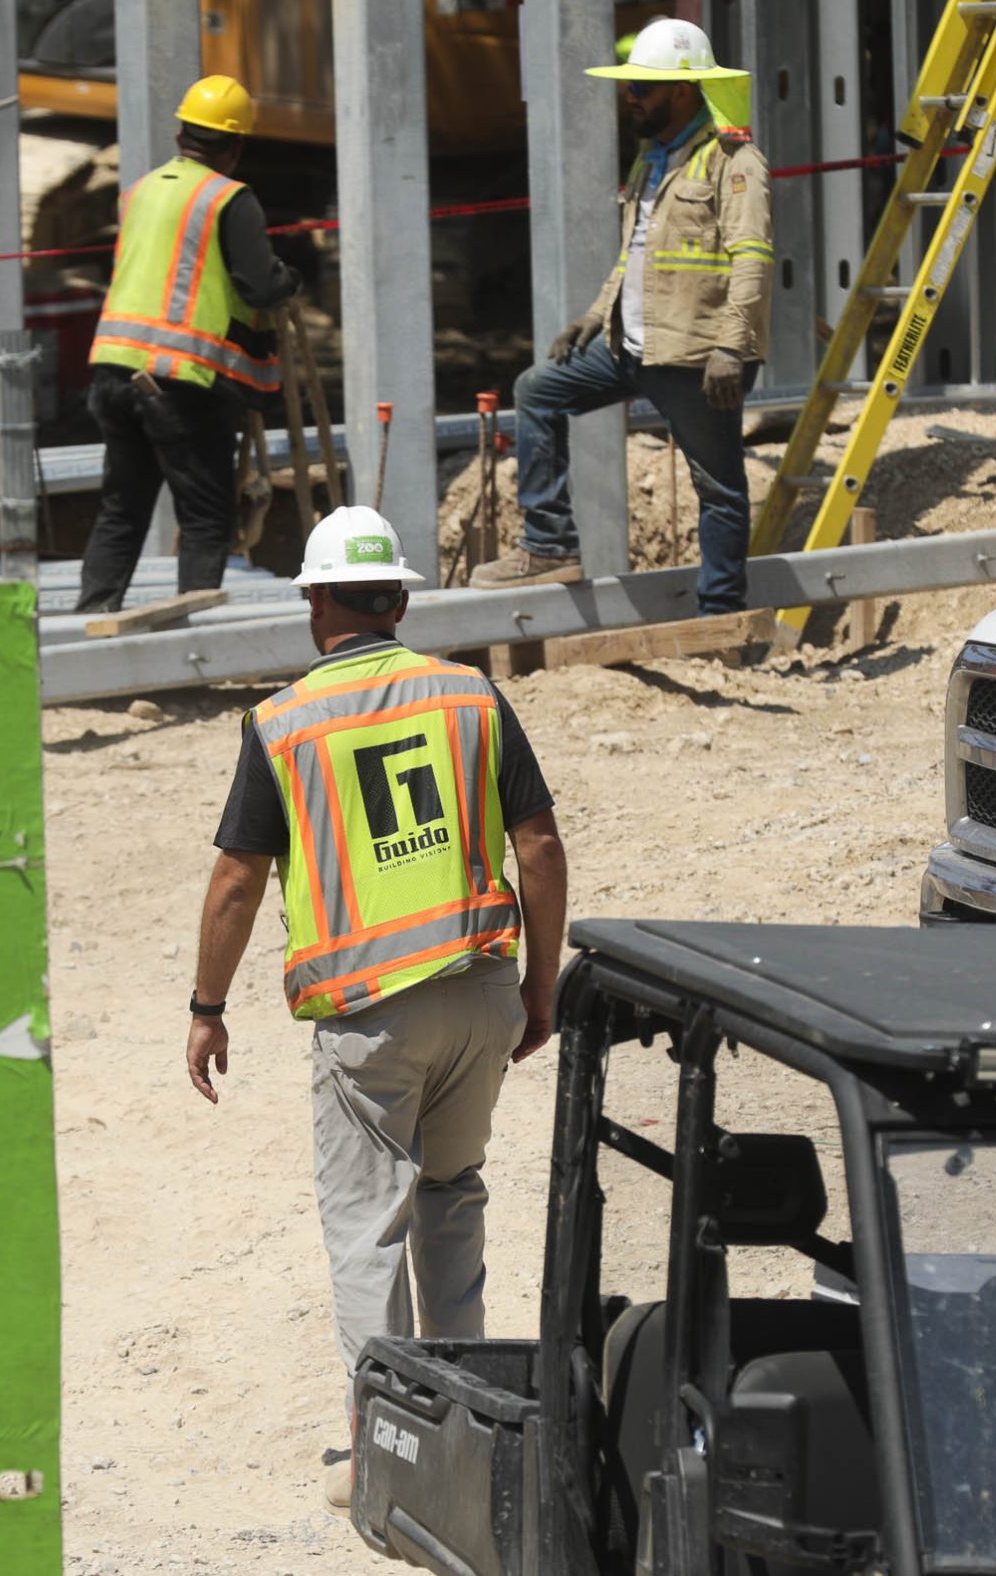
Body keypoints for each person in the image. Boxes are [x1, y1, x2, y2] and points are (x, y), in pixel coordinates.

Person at [184, 505, 569, 1508]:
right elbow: (538, 845)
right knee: (452, 1200)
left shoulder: (284, 721)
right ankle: (470, 1431)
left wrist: (206, 1002)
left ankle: (387, 1452)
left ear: (313, 605)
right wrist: (538, 984)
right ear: (399, 600)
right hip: (479, 990)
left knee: (368, 1227)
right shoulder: (471, 697)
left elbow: (236, 878)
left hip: (370, 1017)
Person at [474, 17, 772, 614]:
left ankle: (721, 617)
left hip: (695, 355)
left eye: (642, 88)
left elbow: (753, 260)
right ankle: (550, 543)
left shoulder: (733, 161)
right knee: (538, 389)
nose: (629, 98)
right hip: (630, 347)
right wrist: (594, 316)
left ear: (682, 91)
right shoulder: (651, 159)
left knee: (718, 489)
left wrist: (731, 348)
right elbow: (635, 252)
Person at [77, 75, 302, 614]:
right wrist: (290, 279)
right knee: (206, 516)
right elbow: (261, 285)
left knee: (121, 510)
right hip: (180, 381)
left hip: (113, 369)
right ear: (236, 144)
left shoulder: (140, 191)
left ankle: (88, 624)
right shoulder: (228, 198)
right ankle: (196, 644)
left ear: (181, 133)